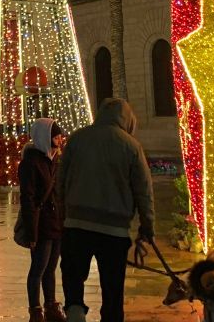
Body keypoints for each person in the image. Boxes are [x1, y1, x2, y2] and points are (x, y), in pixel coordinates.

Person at [58, 98, 155, 322]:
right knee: (112, 292)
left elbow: (60, 181)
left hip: (76, 226)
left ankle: (75, 312)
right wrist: (147, 227)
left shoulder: (77, 139)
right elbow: (144, 191)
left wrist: (64, 213)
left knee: (73, 278)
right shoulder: (131, 146)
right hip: (114, 232)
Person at [19, 118, 67, 322]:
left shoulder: (55, 159)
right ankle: (35, 310)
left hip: (56, 222)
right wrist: (32, 232)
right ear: (44, 137)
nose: (59, 139)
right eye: (55, 136)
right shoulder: (31, 162)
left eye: (60, 136)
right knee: (38, 268)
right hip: (41, 224)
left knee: (51, 267)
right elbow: (28, 199)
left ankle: (51, 305)